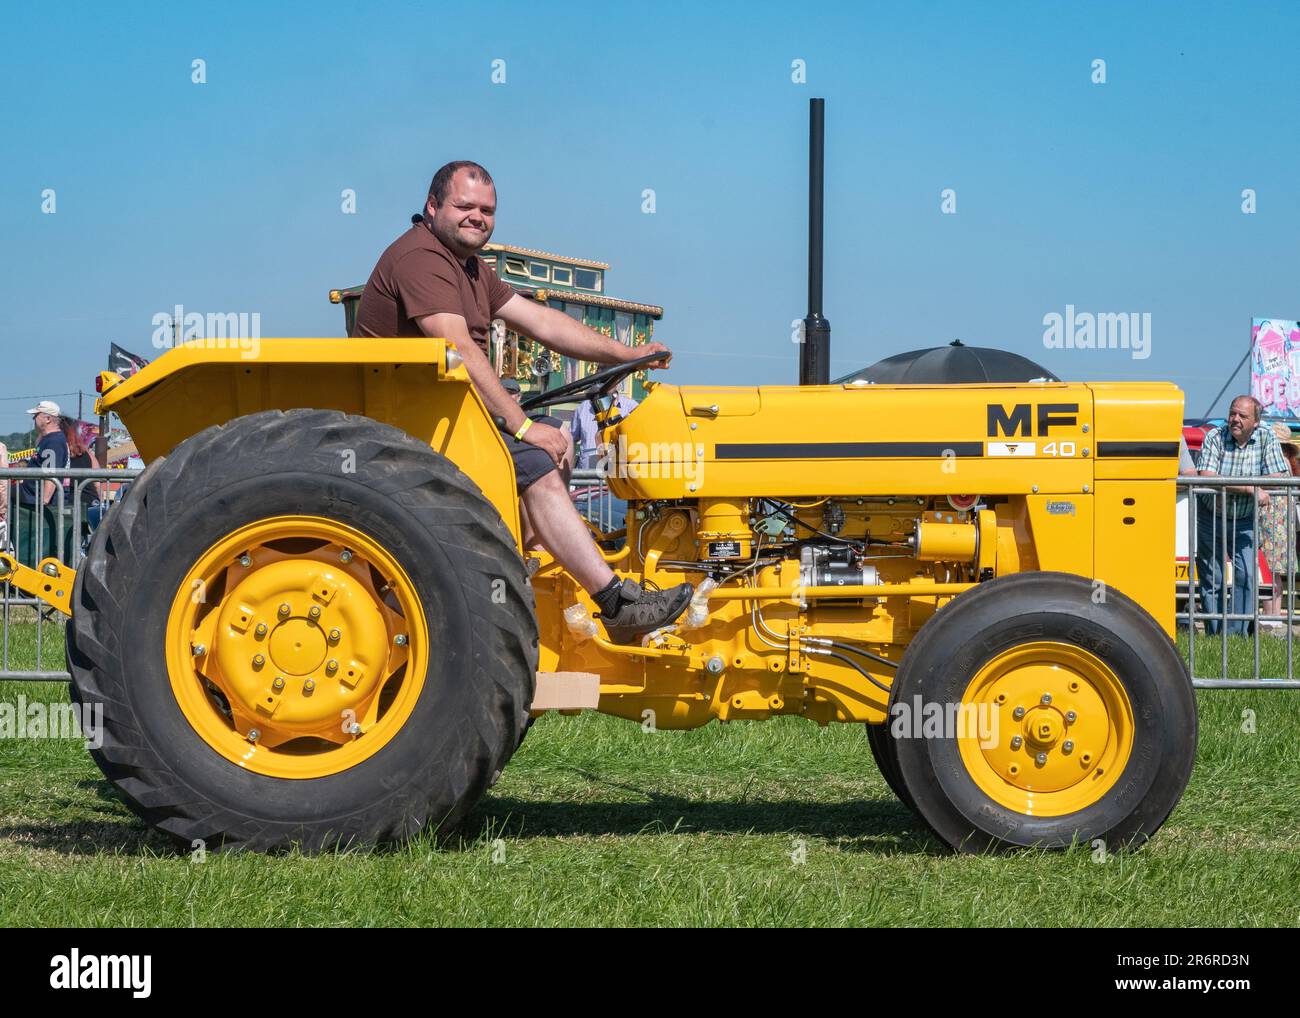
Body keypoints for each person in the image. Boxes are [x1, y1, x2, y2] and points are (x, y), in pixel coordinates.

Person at [354, 160, 693, 643]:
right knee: (535, 453)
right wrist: (518, 423)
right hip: (413, 427)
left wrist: (627, 353)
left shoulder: (471, 269)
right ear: (432, 207)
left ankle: (522, 568)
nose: (477, 217)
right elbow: (459, 349)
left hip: (449, 419)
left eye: (487, 210)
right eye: (464, 205)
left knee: (561, 444)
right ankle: (616, 604)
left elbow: (542, 323)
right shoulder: (421, 258)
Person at [1194, 395, 1289, 636]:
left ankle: (1235, 636)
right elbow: (1206, 475)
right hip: (1210, 513)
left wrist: (1230, 485)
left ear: (1256, 422)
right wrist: (1250, 488)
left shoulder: (1266, 437)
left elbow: (1278, 476)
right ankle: (1215, 635)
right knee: (1211, 576)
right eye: (1233, 413)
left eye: (1242, 415)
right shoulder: (1215, 436)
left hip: (1244, 518)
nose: (1235, 419)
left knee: (1246, 574)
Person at [17, 400, 71, 566]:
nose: (33, 419)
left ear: (47, 419)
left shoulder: (53, 441)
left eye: (36, 415)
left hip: (38, 502)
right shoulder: (49, 439)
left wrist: (44, 500)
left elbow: (51, 474)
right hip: (33, 499)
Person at [1260, 424, 1300, 631]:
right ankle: (1273, 615)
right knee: (1273, 571)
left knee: (1269, 570)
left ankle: (1271, 615)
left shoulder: (1279, 462)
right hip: (1279, 520)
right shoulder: (1287, 463)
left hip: (1274, 520)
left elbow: (1274, 484)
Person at [573, 390, 638, 469]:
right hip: (586, 476)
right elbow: (571, 440)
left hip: (617, 475)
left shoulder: (631, 407)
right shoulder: (582, 408)